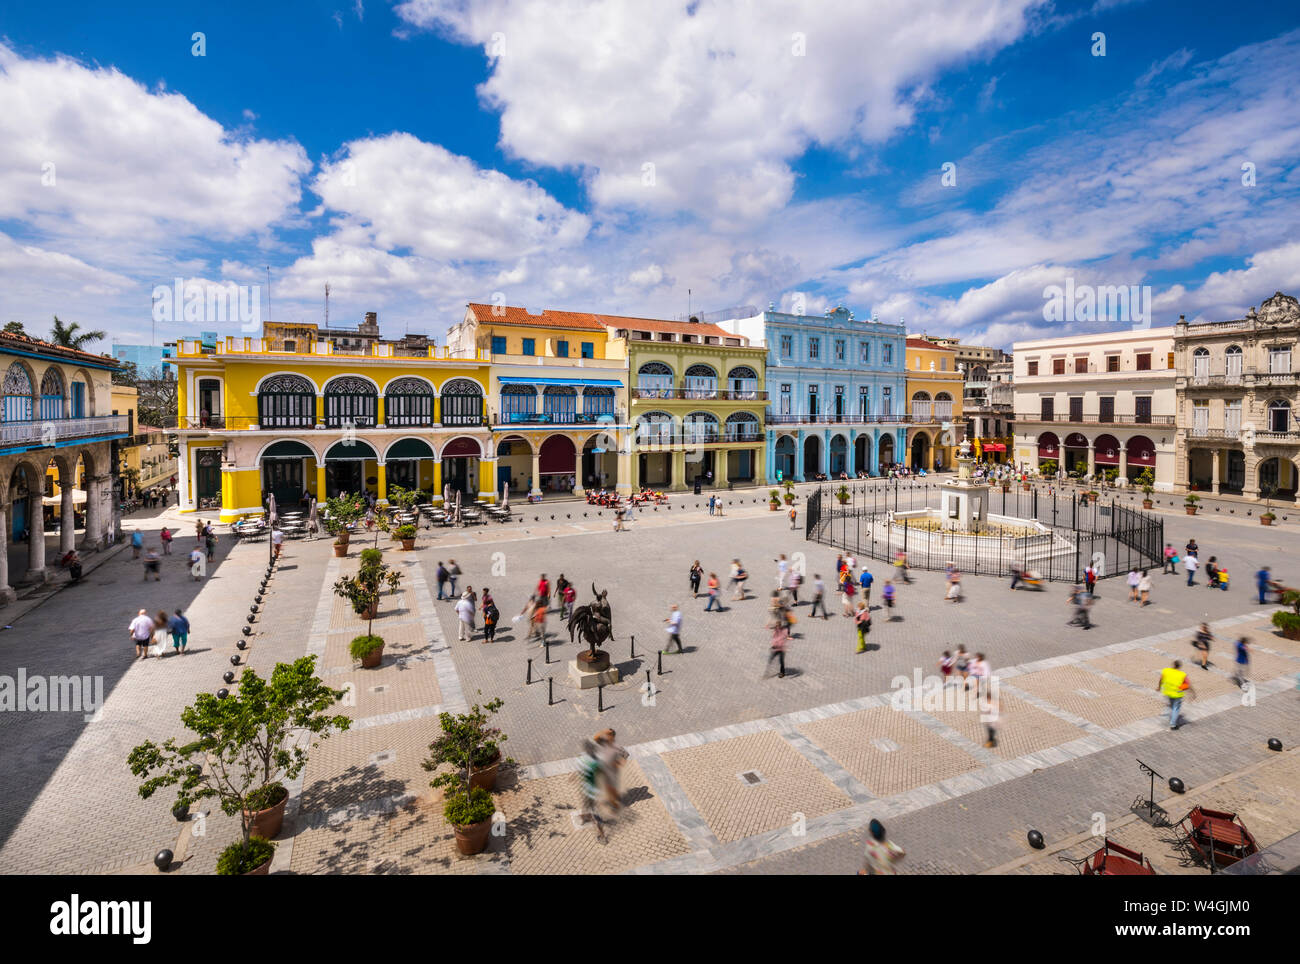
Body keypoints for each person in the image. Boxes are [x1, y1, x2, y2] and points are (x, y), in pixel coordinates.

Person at [1158, 660, 1194, 729]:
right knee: (1176, 708)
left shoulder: (1166, 671)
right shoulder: (1182, 674)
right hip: (1177, 694)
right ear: (1179, 666)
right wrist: (1192, 693)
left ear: (1173, 665)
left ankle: (1167, 714)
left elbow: (1161, 679)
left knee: (1171, 706)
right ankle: (1173, 724)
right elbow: (1188, 685)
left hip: (1168, 692)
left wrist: (1159, 687)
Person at [764, 606, 789, 679]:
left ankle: (782, 672)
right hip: (775, 648)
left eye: (778, 625)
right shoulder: (775, 630)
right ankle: (767, 672)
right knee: (770, 660)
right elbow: (773, 637)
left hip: (781, 649)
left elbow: (783, 639)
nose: (777, 626)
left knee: (781, 662)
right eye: (776, 625)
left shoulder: (784, 631)